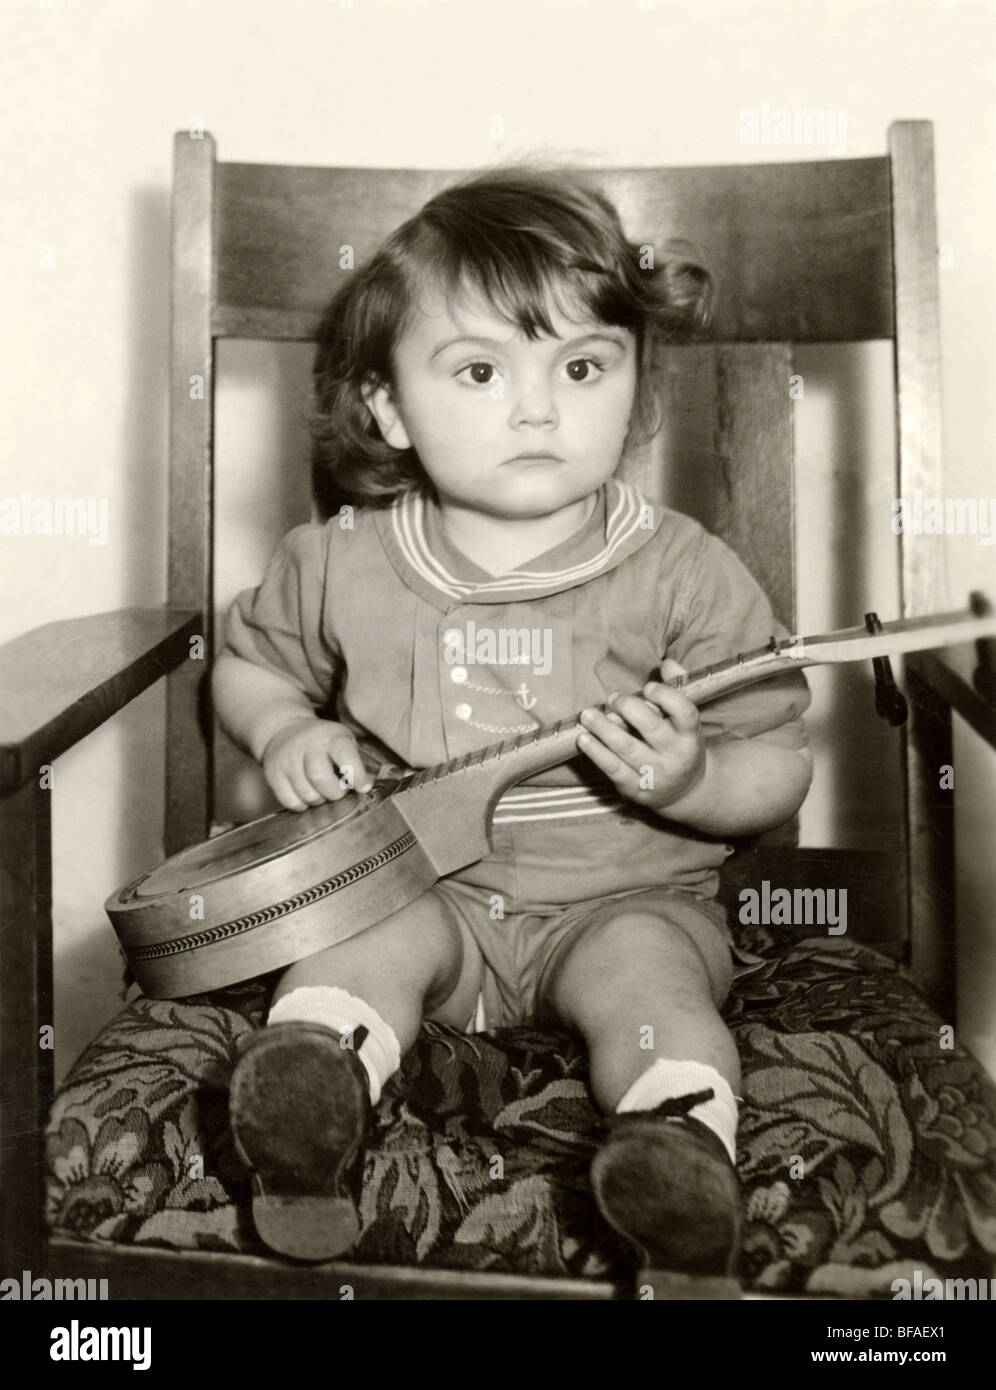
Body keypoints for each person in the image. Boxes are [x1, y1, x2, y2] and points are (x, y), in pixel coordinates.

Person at [212, 166, 813, 1276]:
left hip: (624, 902)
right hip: (419, 888)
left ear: (636, 383)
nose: (539, 407)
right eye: (481, 370)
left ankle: (676, 1164)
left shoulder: (683, 571)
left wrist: (690, 778)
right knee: (359, 942)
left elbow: (778, 763)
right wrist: (285, 733)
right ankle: (310, 1107)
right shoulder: (344, 559)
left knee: (652, 989)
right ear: (389, 404)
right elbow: (247, 663)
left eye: (583, 367)